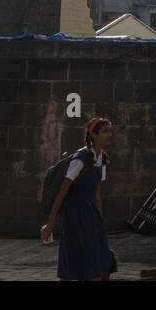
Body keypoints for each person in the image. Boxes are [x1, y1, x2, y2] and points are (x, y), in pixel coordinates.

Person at [40, 117, 118, 281]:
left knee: (100, 259)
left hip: (91, 216)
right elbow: (62, 191)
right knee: (74, 260)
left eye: (110, 131)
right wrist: (50, 223)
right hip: (74, 216)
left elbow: (96, 193)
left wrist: (100, 220)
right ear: (94, 135)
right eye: (105, 131)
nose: (109, 134)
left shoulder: (102, 159)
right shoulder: (81, 158)